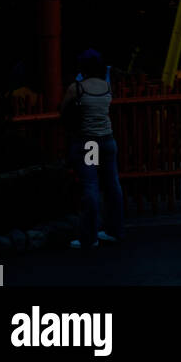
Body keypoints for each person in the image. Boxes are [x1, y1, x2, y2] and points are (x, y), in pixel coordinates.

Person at [61, 49, 125, 250]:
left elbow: (63, 110)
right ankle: (113, 230)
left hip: (89, 143)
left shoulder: (77, 88)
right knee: (113, 185)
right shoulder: (107, 86)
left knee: (90, 186)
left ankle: (89, 236)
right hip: (108, 140)